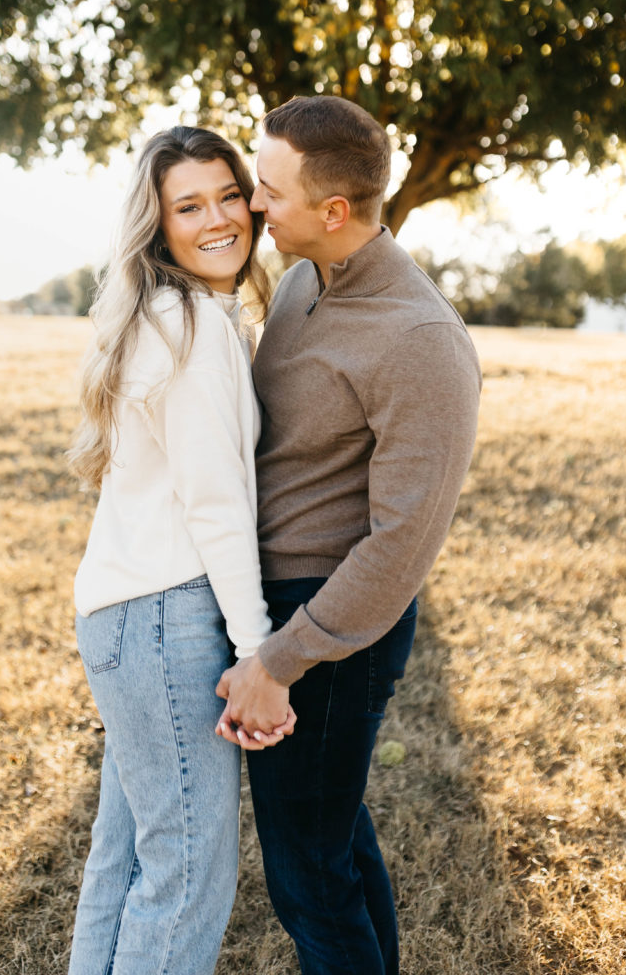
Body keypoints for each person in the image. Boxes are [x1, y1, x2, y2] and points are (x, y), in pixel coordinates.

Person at [216, 95, 482, 975]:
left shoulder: (420, 339)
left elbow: (402, 545)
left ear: (335, 212)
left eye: (269, 192)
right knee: (334, 842)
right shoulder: (300, 281)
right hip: (280, 608)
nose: (254, 206)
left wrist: (280, 659)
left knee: (307, 876)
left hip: (334, 630)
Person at [66, 125, 294, 975]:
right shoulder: (192, 323)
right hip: (167, 618)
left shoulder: (169, 314)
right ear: (159, 227)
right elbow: (217, 507)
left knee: (126, 861)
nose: (218, 219)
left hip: (125, 619)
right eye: (188, 206)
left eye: (230, 194)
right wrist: (255, 651)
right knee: (187, 871)